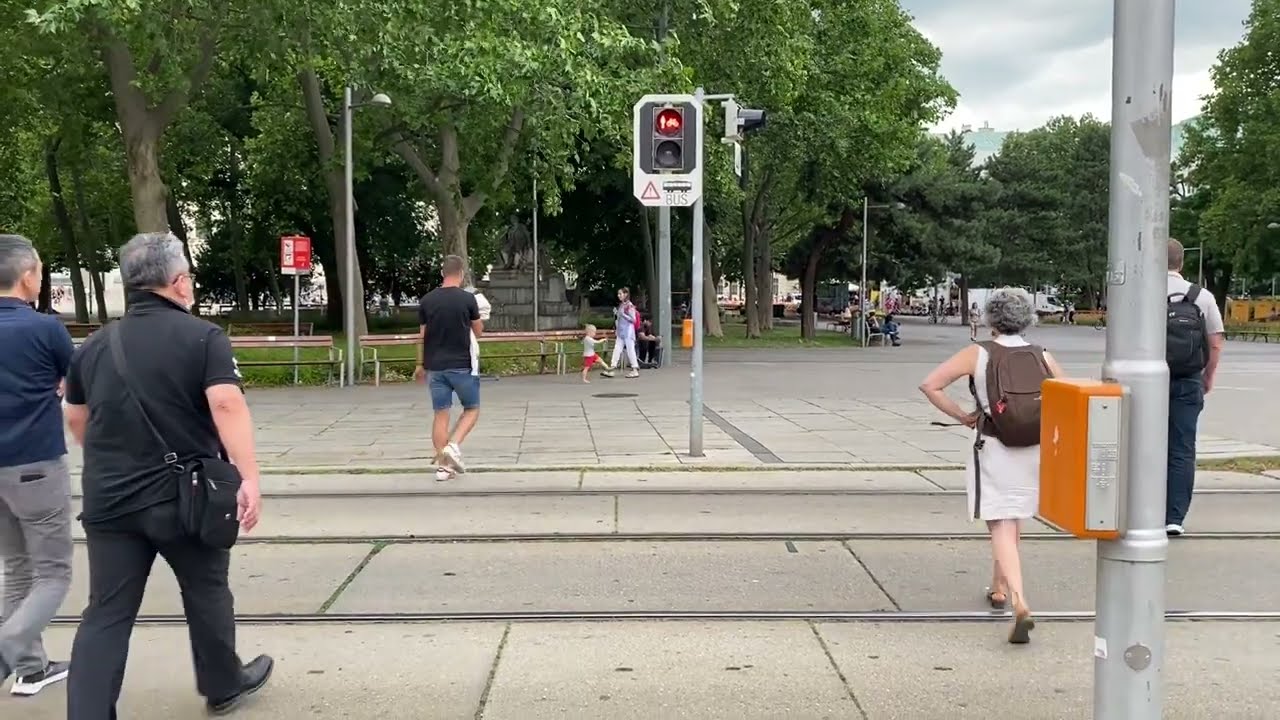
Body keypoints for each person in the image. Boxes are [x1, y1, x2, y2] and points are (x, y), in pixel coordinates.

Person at [63, 232, 271, 717]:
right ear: (178, 283)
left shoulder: (95, 345)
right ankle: (222, 684)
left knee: (107, 611)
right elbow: (226, 403)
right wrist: (248, 477)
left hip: (110, 499)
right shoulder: (203, 337)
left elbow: (75, 417)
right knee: (206, 590)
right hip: (186, 495)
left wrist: (113, 458)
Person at [918, 287, 1064, 645]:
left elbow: (930, 385)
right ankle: (998, 588)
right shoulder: (1041, 354)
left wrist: (963, 416)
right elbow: (1064, 395)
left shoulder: (978, 352)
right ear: (1027, 318)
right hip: (1033, 447)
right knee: (1014, 519)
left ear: (990, 319)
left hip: (994, 445)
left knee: (1000, 522)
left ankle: (1020, 602)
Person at [0, 235, 74, 696]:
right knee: (53, 574)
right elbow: (77, 383)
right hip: (35, 467)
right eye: (41, 271)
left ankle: (29, 668)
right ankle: (8, 646)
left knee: (18, 569)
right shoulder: (45, 329)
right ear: (27, 276)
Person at [1165, 239, 1225, 536]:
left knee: (1140, 444)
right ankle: (1174, 518)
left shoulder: (1140, 294)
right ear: (1182, 262)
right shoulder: (1202, 296)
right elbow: (1215, 343)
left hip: (1148, 381)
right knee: (1182, 448)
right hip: (1188, 379)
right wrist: (1207, 376)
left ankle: (1140, 510)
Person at [415, 255, 484, 481]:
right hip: (462, 365)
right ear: (461, 274)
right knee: (472, 409)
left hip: (434, 367)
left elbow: (422, 336)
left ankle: (443, 469)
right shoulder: (467, 299)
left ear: (442, 273)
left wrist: (419, 364)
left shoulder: (427, 300)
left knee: (441, 414)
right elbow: (478, 331)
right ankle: (453, 447)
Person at [602, 287, 640, 379]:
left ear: (625, 294)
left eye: (620, 294)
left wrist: (623, 314)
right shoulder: (622, 305)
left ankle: (635, 369)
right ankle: (612, 368)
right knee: (617, 349)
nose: (618, 295)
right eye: (618, 294)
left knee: (630, 350)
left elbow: (633, 320)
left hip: (628, 332)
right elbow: (619, 319)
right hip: (621, 332)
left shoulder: (629, 306)